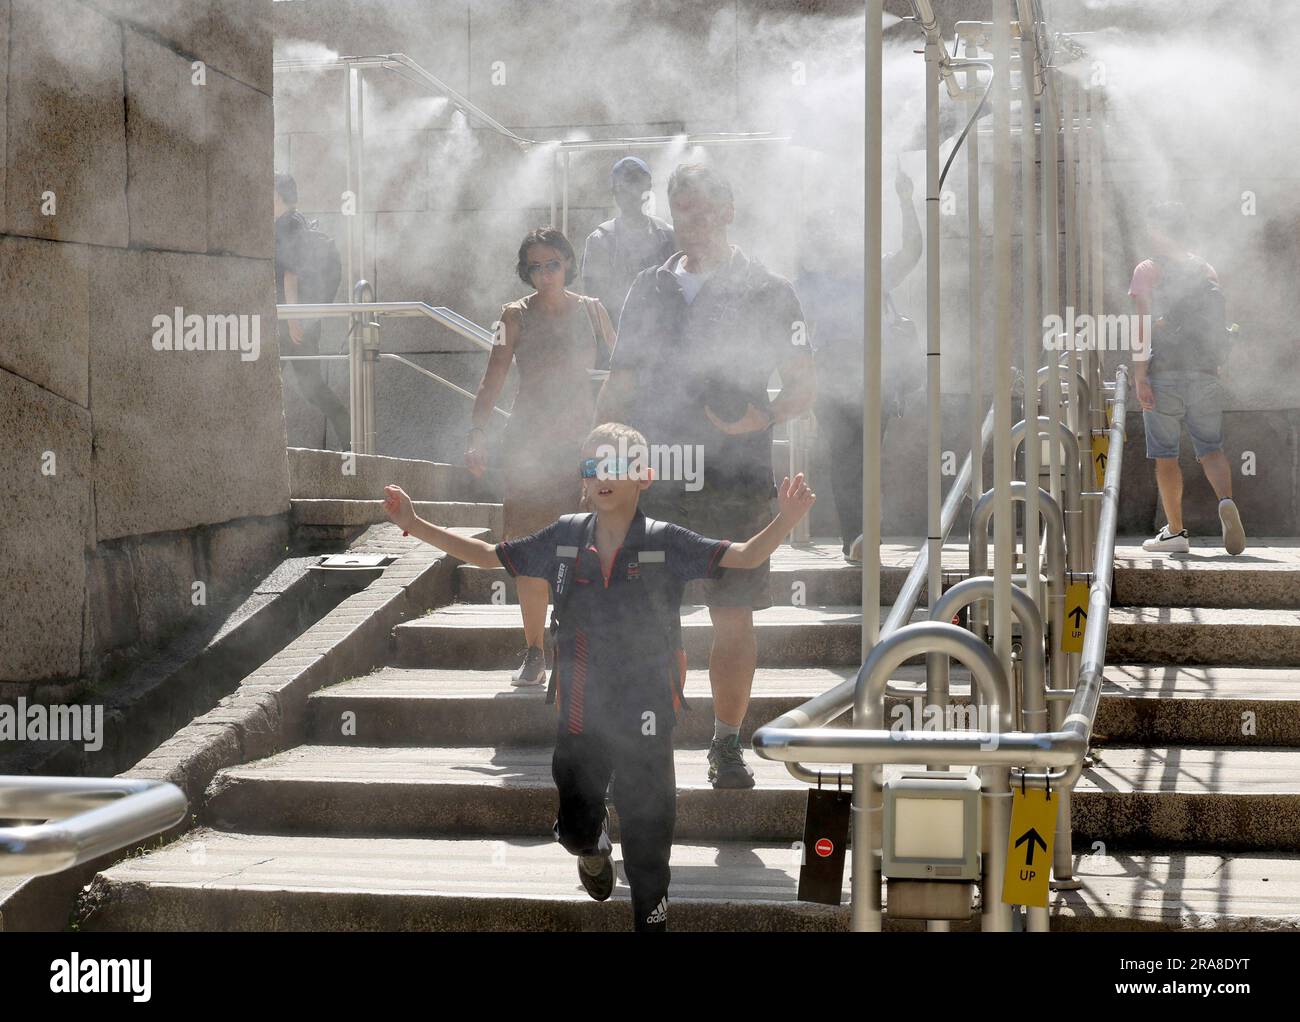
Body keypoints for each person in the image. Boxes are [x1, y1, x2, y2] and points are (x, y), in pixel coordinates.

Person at [382, 421, 817, 931]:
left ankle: (650, 917)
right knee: (575, 826)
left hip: (649, 702)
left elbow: (744, 556)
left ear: (644, 476)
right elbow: (486, 555)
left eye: (615, 465)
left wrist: (785, 520)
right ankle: (591, 849)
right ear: (583, 478)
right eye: (592, 466)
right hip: (581, 702)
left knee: (649, 829)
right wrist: (414, 522)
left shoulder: (665, 541)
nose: (602, 476)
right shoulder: (564, 536)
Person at [596, 163, 816, 789]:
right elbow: (622, 383)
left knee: (733, 615)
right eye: (677, 207)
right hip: (652, 476)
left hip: (736, 479)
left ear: (726, 210)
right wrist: (593, 463)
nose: (685, 219)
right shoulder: (648, 288)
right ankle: (642, 741)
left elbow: (804, 385)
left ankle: (725, 743)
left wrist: (764, 415)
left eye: (697, 207)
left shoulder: (770, 290)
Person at [467, 228, 617, 686]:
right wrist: (477, 434)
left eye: (553, 264)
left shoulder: (593, 311)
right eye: (535, 266)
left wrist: (621, 435)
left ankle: (580, 645)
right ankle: (534, 653)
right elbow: (493, 376)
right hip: (528, 444)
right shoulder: (511, 316)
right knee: (529, 551)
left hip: (583, 446)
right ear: (525, 270)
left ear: (568, 263)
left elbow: (627, 368)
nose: (545, 274)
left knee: (590, 547)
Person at [797, 166, 922, 563]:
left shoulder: (877, 268)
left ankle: (864, 533)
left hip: (875, 375)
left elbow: (913, 251)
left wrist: (906, 201)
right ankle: (857, 536)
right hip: (832, 375)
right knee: (843, 454)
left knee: (865, 454)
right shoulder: (812, 280)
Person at [1130, 201, 1246, 556]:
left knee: (1166, 455)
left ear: (1157, 230)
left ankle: (1176, 533)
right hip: (1205, 372)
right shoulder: (1206, 270)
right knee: (1211, 449)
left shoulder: (1148, 270)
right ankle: (1225, 500)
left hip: (1164, 373)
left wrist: (1140, 376)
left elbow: (1141, 327)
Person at [275, 173, 351, 450]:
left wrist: (293, 318)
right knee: (311, 387)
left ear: (278, 195)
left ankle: (349, 437)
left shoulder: (288, 225)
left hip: (290, 323)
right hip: (297, 322)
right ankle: (349, 438)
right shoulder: (298, 223)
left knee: (269, 384)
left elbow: (290, 274)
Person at [580, 157, 676, 330]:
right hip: (617, 336)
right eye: (623, 188)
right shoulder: (601, 241)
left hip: (663, 335)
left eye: (637, 186)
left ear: (648, 191)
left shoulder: (668, 236)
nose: (631, 194)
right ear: (615, 193)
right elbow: (594, 302)